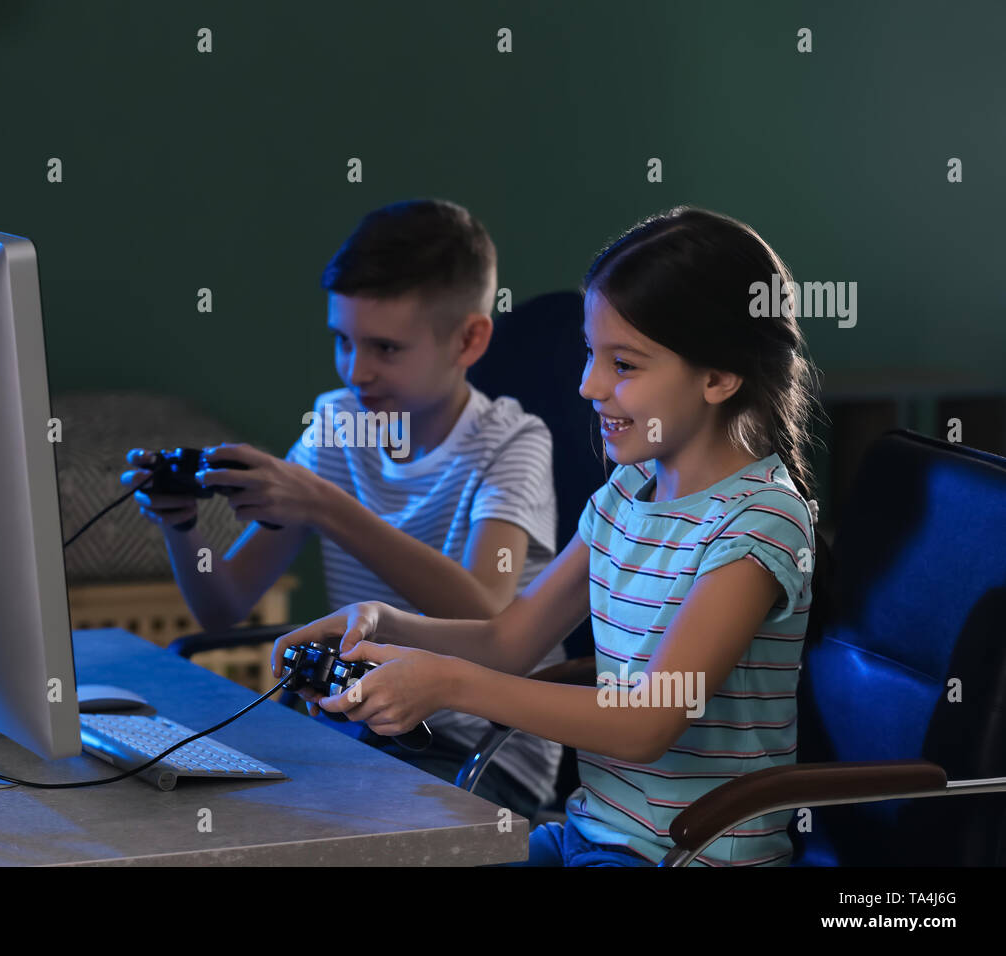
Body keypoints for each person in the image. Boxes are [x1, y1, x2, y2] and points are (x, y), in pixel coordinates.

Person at [271, 206, 828, 866]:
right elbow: (510, 641)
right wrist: (383, 624)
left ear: (718, 376)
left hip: (686, 857)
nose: (589, 386)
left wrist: (448, 684)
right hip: (588, 838)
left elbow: (647, 723)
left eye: (624, 363)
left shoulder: (757, 523)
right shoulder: (629, 492)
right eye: (592, 354)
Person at [122, 199, 563, 818]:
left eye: (385, 348)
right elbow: (221, 605)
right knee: (182, 800)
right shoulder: (338, 425)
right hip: (355, 730)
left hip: (477, 753)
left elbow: (484, 609)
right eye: (342, 341)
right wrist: (182, 527)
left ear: (468, 338)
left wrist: (327, 507)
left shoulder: (512, 443)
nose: (357, 371)